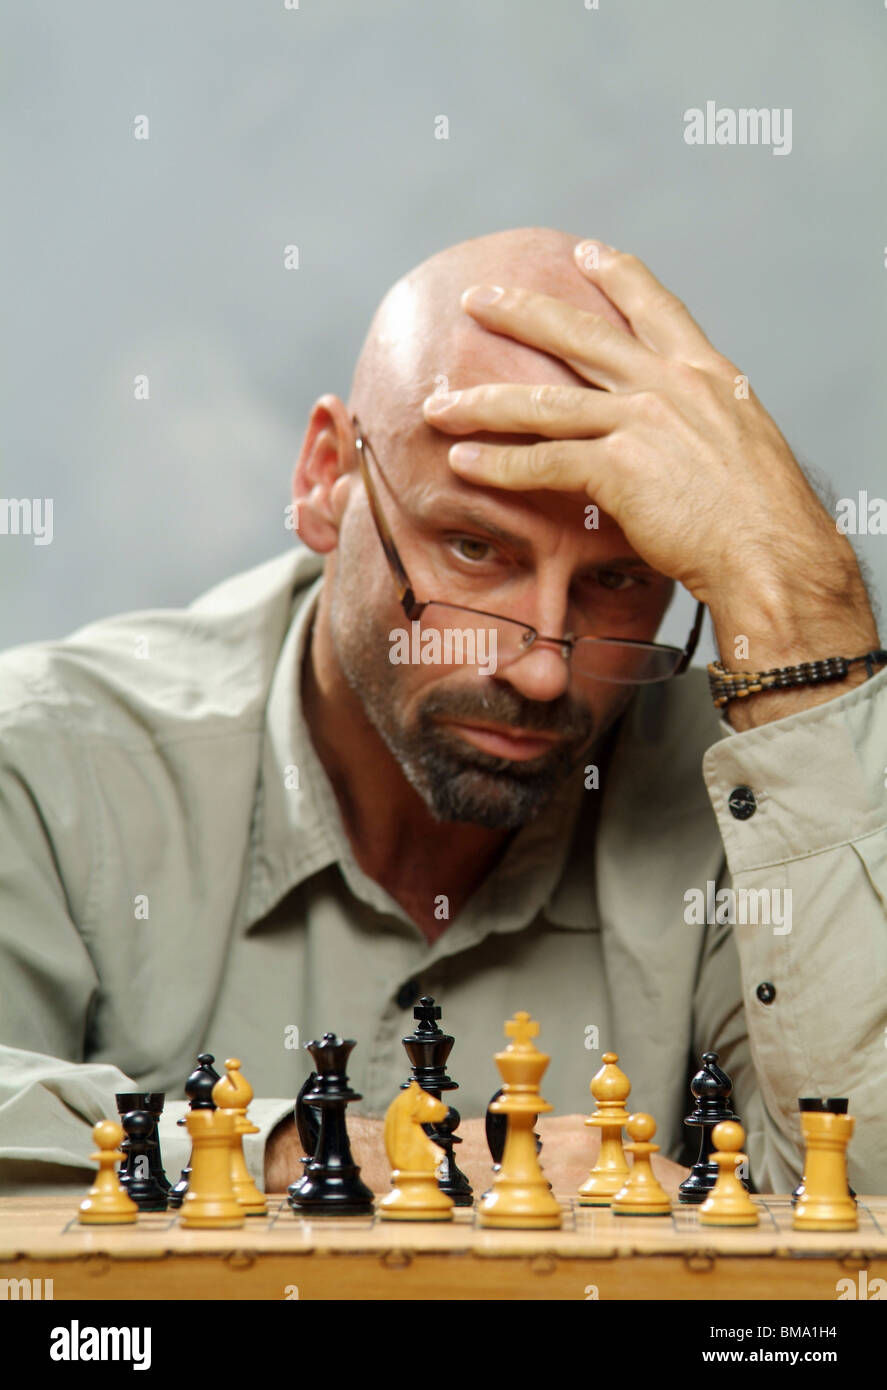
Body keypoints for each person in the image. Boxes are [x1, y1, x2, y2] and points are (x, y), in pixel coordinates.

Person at [1, 228, 884, 1199]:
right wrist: (309, 1158)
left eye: (618, 580)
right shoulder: (49, 765)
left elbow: (859, 1211)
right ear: (323, 478)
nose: (542, 669)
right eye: (472, 549)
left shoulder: (756, 800)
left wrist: (804, 615)